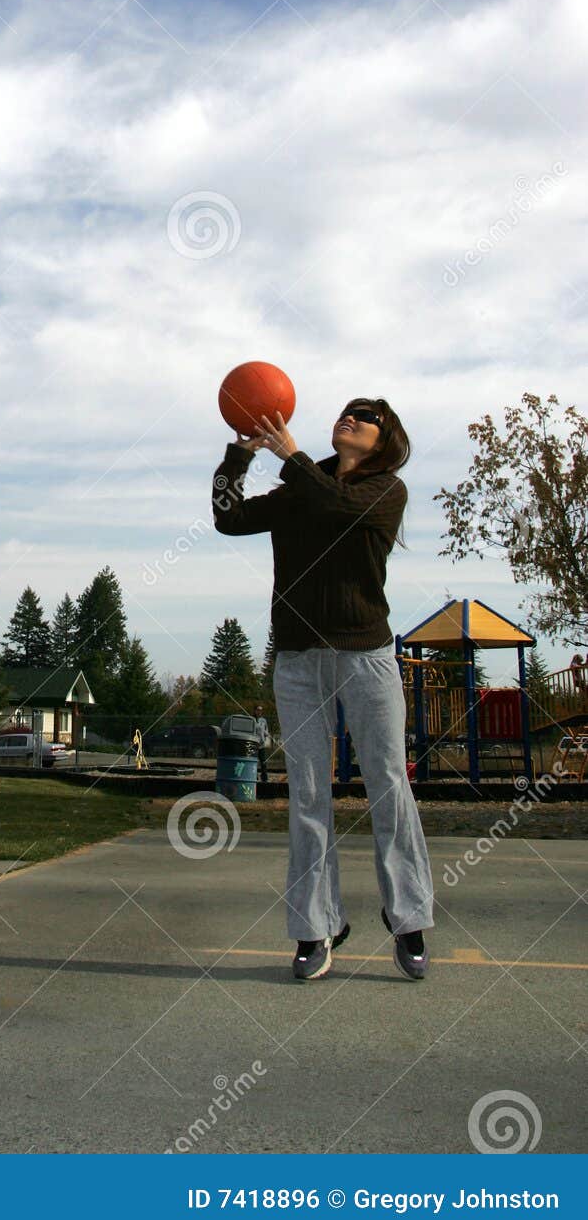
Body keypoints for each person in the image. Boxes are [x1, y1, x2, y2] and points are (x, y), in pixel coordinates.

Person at [212, 398, 434, 983]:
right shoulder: (301, 487)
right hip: (299, 660)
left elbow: (338, 506)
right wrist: (238, 457)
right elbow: (228, 518)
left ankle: (407, 918)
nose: (350, 418)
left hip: (367, 658)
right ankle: (316, 927)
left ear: (385, 440)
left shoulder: (387, 491)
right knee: (308, 795)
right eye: (345, 412)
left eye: (365, 416)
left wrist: (289, 455)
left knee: (388, 786)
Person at [252, 703, 272, 781]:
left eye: (261, 710)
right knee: (254, 761)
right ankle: (254, 776)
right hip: (254, 744)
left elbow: (266, 729)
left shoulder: (264, 720)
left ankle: (264, 778)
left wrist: (266, 733)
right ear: (255, 711)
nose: (259, 712)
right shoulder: (252, 719)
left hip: (262, 744)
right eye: (258, 710)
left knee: (263, 761)